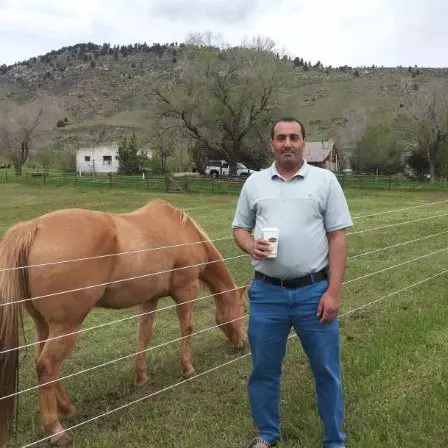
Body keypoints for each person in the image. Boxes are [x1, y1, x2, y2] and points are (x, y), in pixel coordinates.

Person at [232, 117, 353, 448]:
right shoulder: (255, 183)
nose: (288, 143)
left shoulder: (325, 181)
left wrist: (333, 292)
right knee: (264, 371)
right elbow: (239, 228)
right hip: (267, 293)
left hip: (314, 292)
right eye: (281, 137)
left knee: (326, 371)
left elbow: (337, 237)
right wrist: (248, 244)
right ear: (271, 143)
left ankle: (334, 440)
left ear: (304, 142)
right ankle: (267, 435)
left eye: (294, 137)